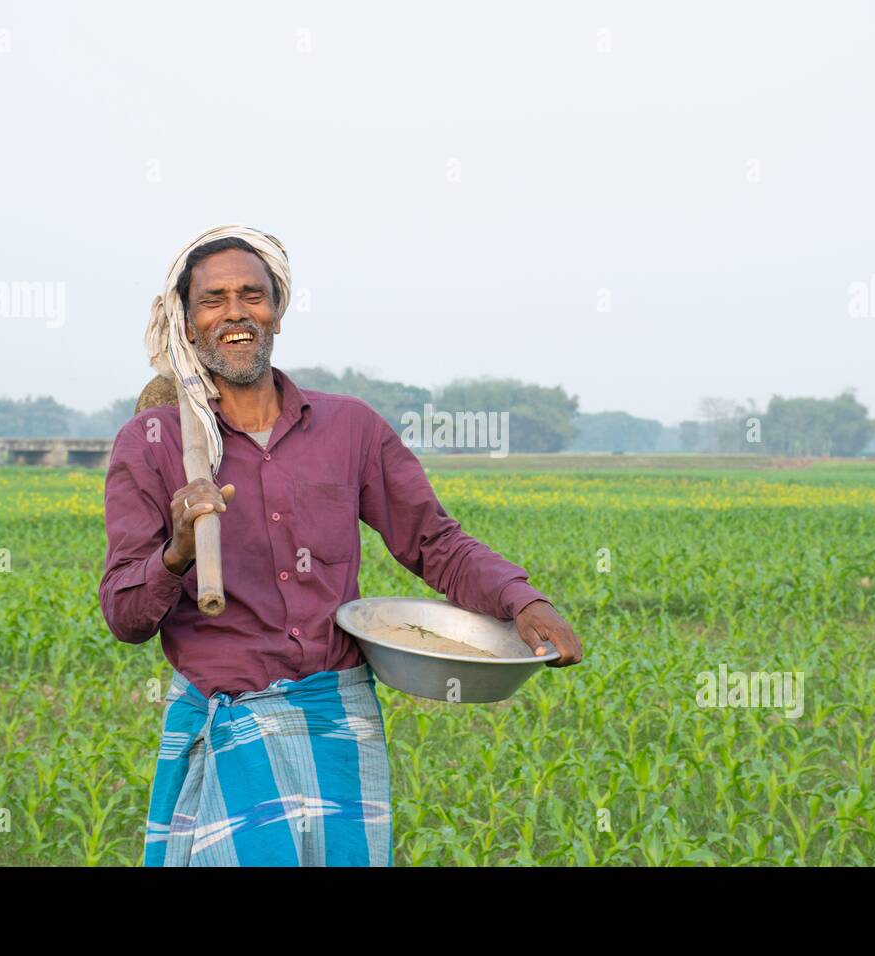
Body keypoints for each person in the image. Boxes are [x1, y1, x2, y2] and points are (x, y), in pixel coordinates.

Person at [99, 224, 583, 866]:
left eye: (253, 294)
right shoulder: (153, 443)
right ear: (186, 323)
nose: (236, 312)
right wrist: (178, 550)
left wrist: (521, 601)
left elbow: (434, 541)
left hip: (338, 718)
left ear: (278, 309)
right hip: (230, 721)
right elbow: (125, 616)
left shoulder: (349, 427)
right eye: (213, 300)